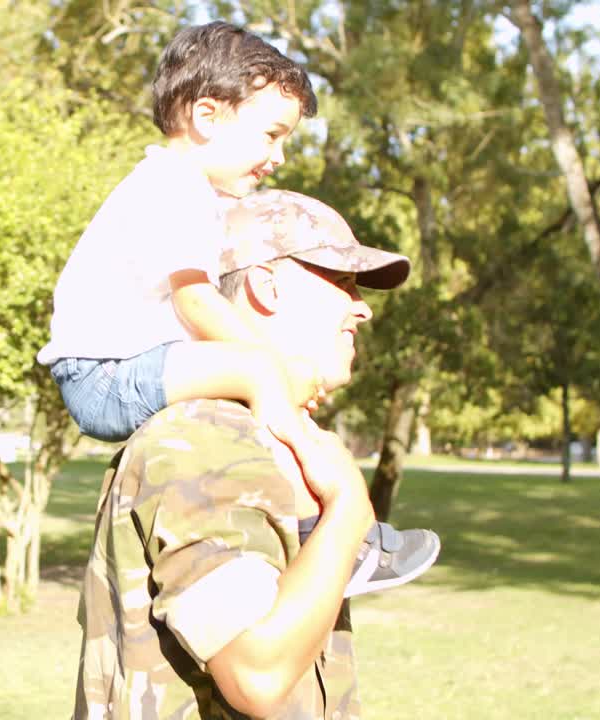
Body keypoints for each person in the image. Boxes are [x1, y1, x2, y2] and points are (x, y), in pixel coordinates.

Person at [37, 21, 437, 597]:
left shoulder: (180, 190)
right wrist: (269, 365)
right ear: (206, 117)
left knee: (268, 381)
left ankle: (334, 530)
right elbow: (196, 301)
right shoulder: (173, 189)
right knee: (263, 373)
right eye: (271, 134)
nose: (278, 156)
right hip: (103, 376)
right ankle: (336, 539)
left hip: (114, 369)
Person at [75, 188, 415, 719]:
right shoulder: (205, 434)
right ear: (266, 286)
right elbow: (258, 674)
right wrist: (350, 508)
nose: (362, 307)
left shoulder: (251, 431)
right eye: (344, 282)